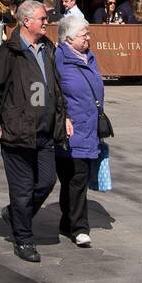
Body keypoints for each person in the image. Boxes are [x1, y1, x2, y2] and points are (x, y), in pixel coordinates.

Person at [0, 0, 71, 263]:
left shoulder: (47, 48)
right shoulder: (10, 51)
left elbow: (54, 86)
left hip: (44, 130)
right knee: (21, 189)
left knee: (46, 181)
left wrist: (62, 116)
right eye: (43, 18)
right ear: (26, 21)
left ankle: (15, 213)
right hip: (17, 130)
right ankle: (24, 238)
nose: (47, 22)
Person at [54, 15, 105, 247]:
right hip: (70, 128)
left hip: (88, 127)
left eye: (88, 34)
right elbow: (53, 92)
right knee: (75, 177)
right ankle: (79, 227)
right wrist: (63, 116)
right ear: (70, 37)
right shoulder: (59, 59)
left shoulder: (88, 56)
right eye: (84, 34)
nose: (88, 38)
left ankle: (68, 222)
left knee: (74, 178)